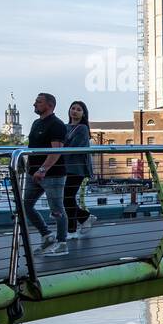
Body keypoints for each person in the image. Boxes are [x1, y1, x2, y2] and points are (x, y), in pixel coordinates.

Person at [21, 92, 69, 256]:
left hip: (52, 175)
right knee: (26, 205)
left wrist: (43, 169)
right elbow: (32, 148)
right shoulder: (36, 123)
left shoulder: (57, 125)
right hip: (33, 174)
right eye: (35, 101)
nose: (34, 104)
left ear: (50, 105)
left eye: (38, 102)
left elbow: (56, 151)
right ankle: (47, 235)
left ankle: (62, 243)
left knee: (57, 208)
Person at [63, 100, 95, 238]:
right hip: (64, 167)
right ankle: (84, 217)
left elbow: (73, 148)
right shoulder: (64, 127)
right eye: (73, 108)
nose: (74, 111)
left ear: (83, 114)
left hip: (77, 168)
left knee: (67, 198)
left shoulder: (82, 128)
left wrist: (58, 151)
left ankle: (72, 230)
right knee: (66, 198)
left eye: (78, 109)